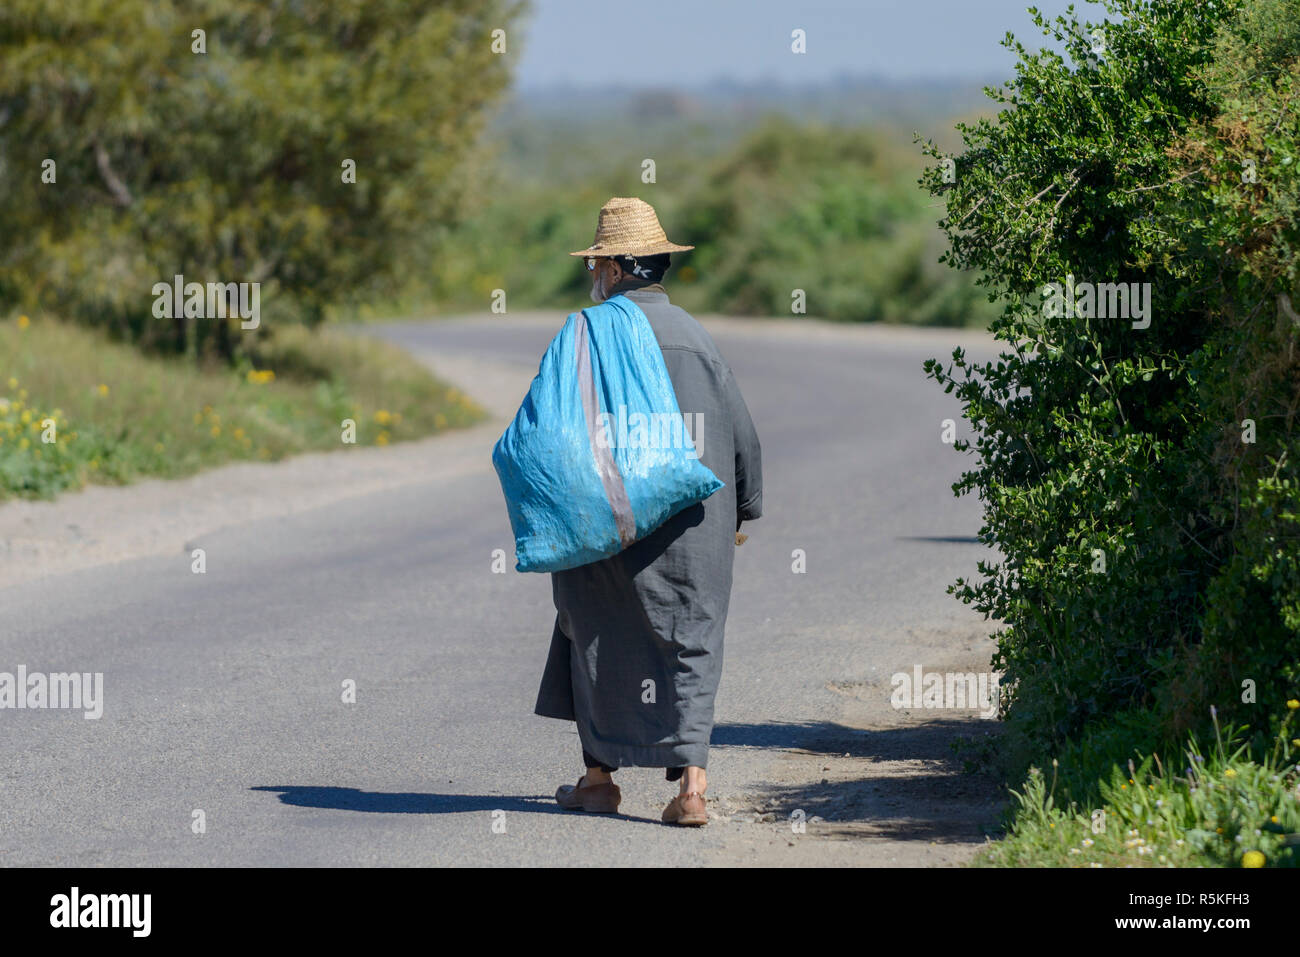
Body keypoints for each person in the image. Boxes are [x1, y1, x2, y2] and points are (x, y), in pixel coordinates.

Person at [534, 196, 763, 826]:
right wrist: (742, 511)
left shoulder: (583, 331)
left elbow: (544, 437)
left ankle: (598, 780)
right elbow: (741, 438)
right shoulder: (698, 338)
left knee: (594, 630)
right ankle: (692, 790)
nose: (594, 277)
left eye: (596, 266)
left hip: (606, 523)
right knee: (693, 639)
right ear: (658, 266)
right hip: (697, 522)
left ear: (611, 268)